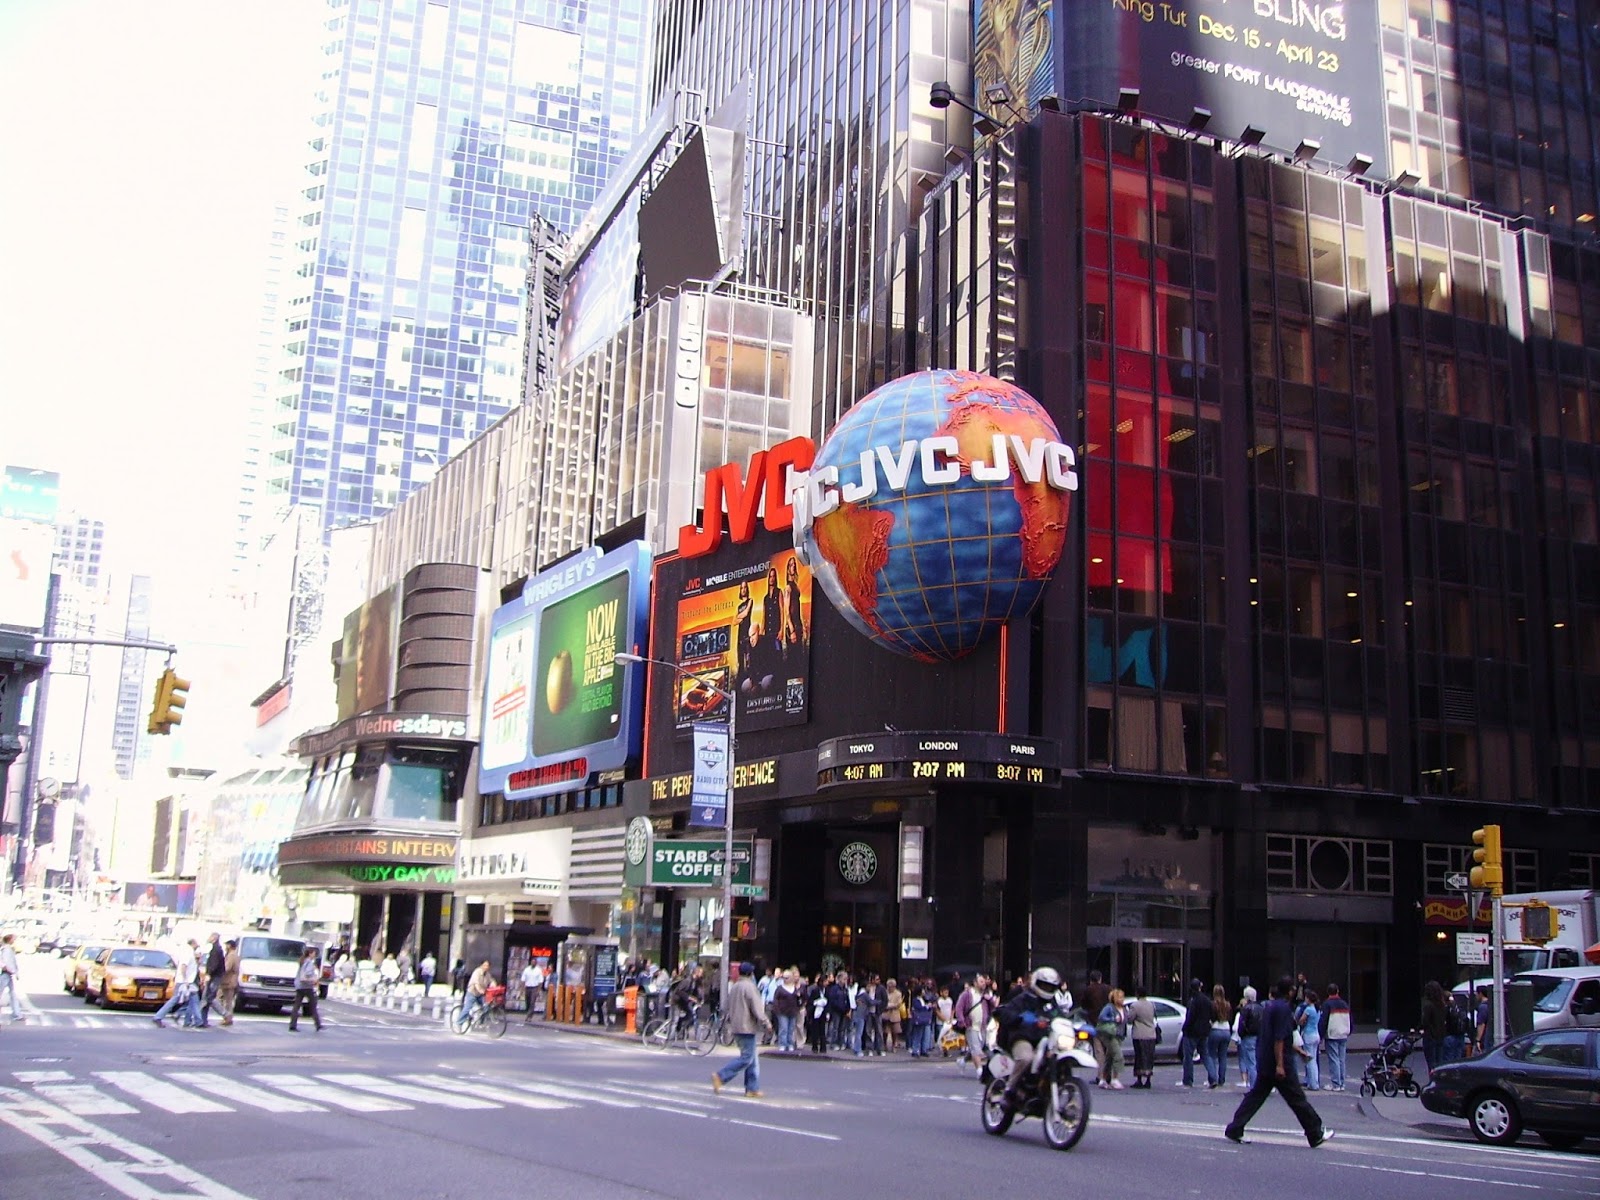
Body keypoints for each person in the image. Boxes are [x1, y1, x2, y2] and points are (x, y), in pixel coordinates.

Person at [1223, 975, 1332, 1148]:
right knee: (1297, 1098)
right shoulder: (1283, 1010)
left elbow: (1275, 1036)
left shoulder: (1269, 1007)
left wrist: (1299, 1051)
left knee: (1256, 1097)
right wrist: (1280, 1065)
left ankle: (1235, 1128)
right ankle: (1315, 1132)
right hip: (1279, 1062)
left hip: (1266, 1059)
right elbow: (1279, 1038)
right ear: (1290, 991)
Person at [995, 966, 1066, 1099]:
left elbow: (1060, 1016)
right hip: (1023, 1037)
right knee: (1026, 1058)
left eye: (1050, 987)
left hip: (1044, 1039)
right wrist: (1020, 1018)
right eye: (1044, 985)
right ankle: (1009, 1089)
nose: (1047, 989)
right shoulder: (1024, 998)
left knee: (1059, 1058)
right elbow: (1005, 1011)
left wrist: (1074, 1024)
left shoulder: (1052, 1003)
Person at [711, 962, 771, 1098]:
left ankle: (752, 1088)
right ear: (750, 973)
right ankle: (721, 1076)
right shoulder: (750, 987)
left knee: (752, 1059)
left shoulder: (735, 986)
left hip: (736, 1026)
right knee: (747, 1058)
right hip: (746, 1027)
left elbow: (727, 1006)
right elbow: (757, 1008)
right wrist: (766, 1023)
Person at [152, 939, 201, 1029]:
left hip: (188, 981)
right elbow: (183, 966)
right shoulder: (188, 953)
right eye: (197, 943)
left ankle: (198, 1021)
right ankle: (158, 1016)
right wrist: (185, 980)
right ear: (193, 943)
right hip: (185, 982)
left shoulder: (188, 952)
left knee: (194, 1000)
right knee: (176, 999)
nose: (198, 945)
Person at [1178, 977, 1211, 1087]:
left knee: (1188, 1057)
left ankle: (1188, 1080)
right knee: (1205, 1055)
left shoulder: (1193, 1000)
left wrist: (1185, 1028)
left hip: (1192, 1032)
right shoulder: (1206, 1000)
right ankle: (1213, 1078)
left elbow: (1190, 1017)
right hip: (1204, 1031)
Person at [1079, 969, 1110, 1082]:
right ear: (1100, 978)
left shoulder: (1088, 990)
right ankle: (1109, 1075)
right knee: (1109, 1050)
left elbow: (1083, 1005)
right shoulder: (1108, 989)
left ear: (1091, 980)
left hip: (1095, 1023)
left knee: (1099, 1051)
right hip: (1109, 1024)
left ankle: (1100, 1076)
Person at [1320, 983, 1352, 1090]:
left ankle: (1336, 1084)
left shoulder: (1327, 1004)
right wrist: (1349, 1031)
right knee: (1342, 1059)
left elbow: (1323, 1021)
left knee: (1334, 1059)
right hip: (1343, 1033)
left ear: (1328, 992)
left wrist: (1320, 1035)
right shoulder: (1344, 1004)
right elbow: (1350, 1019)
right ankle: (1342, 1083)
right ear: (1337, 991)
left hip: (1332, 1034)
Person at [1127, 984, 1158, 1089]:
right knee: (1149, 1057)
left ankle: (1139, 1079)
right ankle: (1148, 1079)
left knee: (1139, 1057)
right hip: (1151, 1034)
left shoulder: (1135, 1006)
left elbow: (1130, 1019)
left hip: (1139, 1034)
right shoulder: (1151, 1005)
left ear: (1137, 994)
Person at [1097, 988, 1128, 1089]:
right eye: (1119, 997)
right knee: (1118, 1056)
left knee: (1109, 1057)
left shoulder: (1124, 1008)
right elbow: (1101, 1017)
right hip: (1111, 1034)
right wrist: (1113, 1019)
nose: (1122, 999)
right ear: (1114, 998)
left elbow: (1126, 1020)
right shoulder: (1109, 1007)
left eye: (1122, 997)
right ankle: (1115, 1079)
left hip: (1119, 1035)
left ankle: (1103, 1079)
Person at [288, 947, 324, 1032]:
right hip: (307, 986)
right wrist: (313, 980)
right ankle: (318, 1024)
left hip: (299, 986)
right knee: (313, 1005)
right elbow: (305, 976)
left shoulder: (302, 961)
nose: (315, 955)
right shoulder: (309, 963)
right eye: (314, 953)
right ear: (310, 954)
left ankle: (292, 1024)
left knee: (296, 1006)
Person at [1204, 984, 1233, 1089]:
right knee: (1223, 1056)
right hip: (1226, 1030)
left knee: (1211, 1055)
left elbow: (1211, 1018)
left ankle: (1213, 1078)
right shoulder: (1228, 1005)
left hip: (1215, 1029)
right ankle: (1222, 1080)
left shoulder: (1212, 1005)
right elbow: (1230, 1018)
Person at [1233, 985, 1261, 1089]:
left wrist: (1241, 1034)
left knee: (1251, 1062)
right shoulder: (1261, 1008)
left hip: (1248, 1036)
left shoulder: (1246, 1009)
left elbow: (1242, 1023)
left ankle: (1253, 1086)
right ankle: (1259, 1085)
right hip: (1259, 1036)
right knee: (1257, 1061)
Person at [1295, 989, 1322, 1090]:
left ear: (1309, 999)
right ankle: (1315, 1082)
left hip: (1308, 1034)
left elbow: (1301, 1021)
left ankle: (1313, 1084)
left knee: (1309, 1060)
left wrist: (1300, 1022)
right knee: (1314, 1059)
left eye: (1306, 998)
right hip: (1316, 1034)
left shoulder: (1308, 1009)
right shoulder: (1317, 1009)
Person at [1420, 980, 1449, 1073]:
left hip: (1430, 1036)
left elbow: (1425, 1021)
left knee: (1431, 1063)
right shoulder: (1442, 1005)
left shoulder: (1428, 1005)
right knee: (1439, 1062)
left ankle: (1433, 1078)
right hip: (1440, 1035)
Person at [770, 969, 802, 1052]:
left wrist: (799, 1006)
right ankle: (782, 1044)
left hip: (793, 1012)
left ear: (791, 978)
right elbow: (775, 1000)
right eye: (784, 977)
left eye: (787, 977)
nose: (785, 979)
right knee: (783, 1028)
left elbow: (799, 1000)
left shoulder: (795, 989)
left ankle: (790, 1044)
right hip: (782, 1012)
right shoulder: (780, 989)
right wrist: (777, 1010)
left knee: (791, 1029)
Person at [457, 959, 493, 1031]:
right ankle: (459, 1022)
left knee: (486, 1006)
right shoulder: (477, 972)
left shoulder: (487, 974)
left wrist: (494, 985)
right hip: (472, 993)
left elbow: (491, 981)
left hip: (481, 994)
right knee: (467, 1008)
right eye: (484, 965)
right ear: (481, 965)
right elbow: (476, 983)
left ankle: (481, 1022)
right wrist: (480, 990)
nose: (486, 967)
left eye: (487, 966)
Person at [199, 933, 225, 1029]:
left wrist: (209, 974)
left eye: (210, 936)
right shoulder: (217, 949)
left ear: (214, 938)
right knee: (206, 998)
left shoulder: (216, 950)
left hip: (214, 977)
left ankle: (225, 1013)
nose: (208, 938)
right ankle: (203, 1020)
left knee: (208, 997)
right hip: (215, 976)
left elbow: (214, 964)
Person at [216, 939, 240, 1027]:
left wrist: (218, 972)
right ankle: (227, 1017)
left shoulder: (231, 955)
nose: (225, 947)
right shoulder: (233, 955)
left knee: (227, 1001)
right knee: (225, 1000)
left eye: (226, 945)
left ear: (229, 946)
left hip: (228, 981)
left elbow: (227, 968)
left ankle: (227, 1018)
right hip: (228, 981)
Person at [0, 933, 22, 1021]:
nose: (14, 941)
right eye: (13, 939)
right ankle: (16, 1014)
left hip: (8, 974)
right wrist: (12, 971)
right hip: (6, 974)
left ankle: (16, 1014)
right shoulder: (6, 949)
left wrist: (15, 972)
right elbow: (5, 962)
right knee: (10, 994)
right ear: (9, 940)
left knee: (13, 994)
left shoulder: (8, 949)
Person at [521, 958, 545, 1024]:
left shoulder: (538, 970)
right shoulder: (527, 969)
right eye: (532, 962)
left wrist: (538, 990)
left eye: (534, 962)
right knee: (527, 1001)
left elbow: (540, 981)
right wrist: (522, 988)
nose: (533, 963)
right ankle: (528, 1012)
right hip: (527, 987)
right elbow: (523, 979)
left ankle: (529, 1016)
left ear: (536, 963)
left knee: (532, 1002)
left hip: (534, 987)